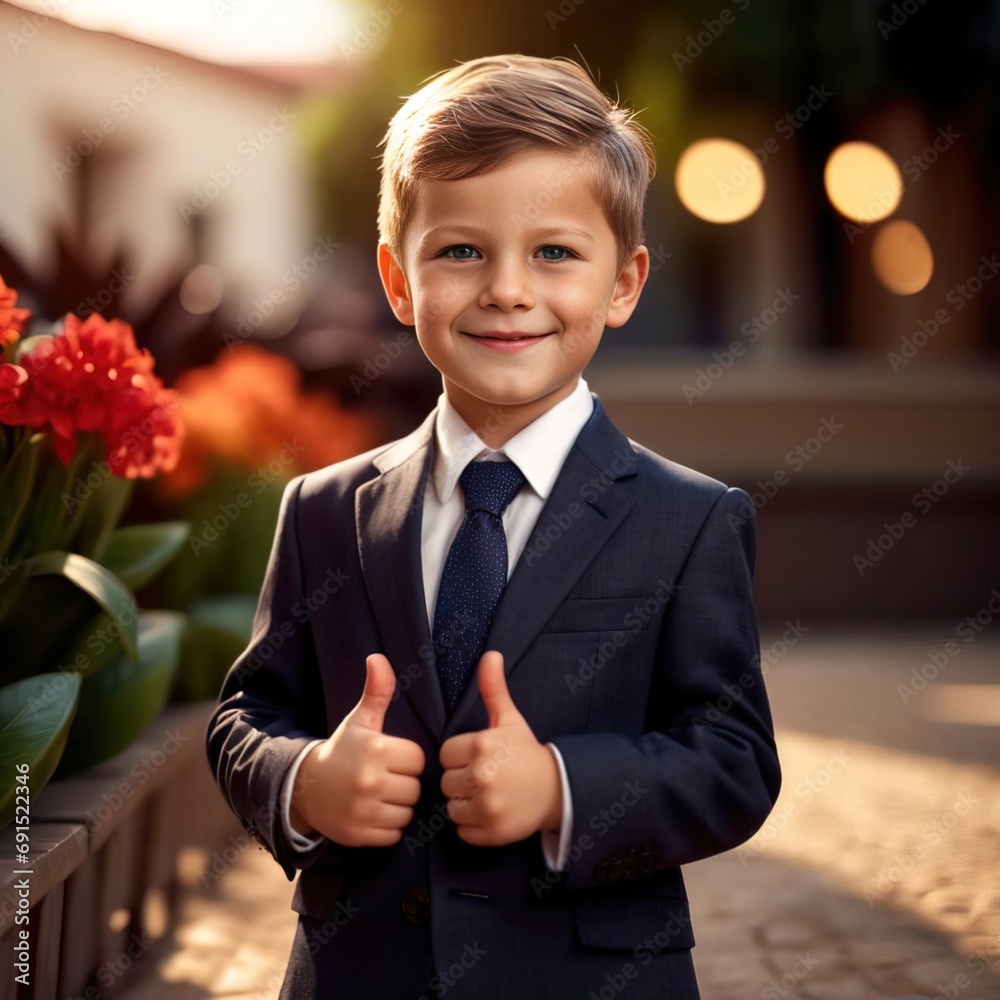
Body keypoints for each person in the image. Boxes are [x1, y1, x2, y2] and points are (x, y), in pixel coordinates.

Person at [207, 53, 781, 999]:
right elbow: (244, 718)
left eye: (555, 252)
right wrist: (305, 780)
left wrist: (562, 787)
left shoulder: (691, 520)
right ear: (399, 280)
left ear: (625, 282)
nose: (507, 290)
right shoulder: (321, 511)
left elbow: (734, 760)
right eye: (461, 250)